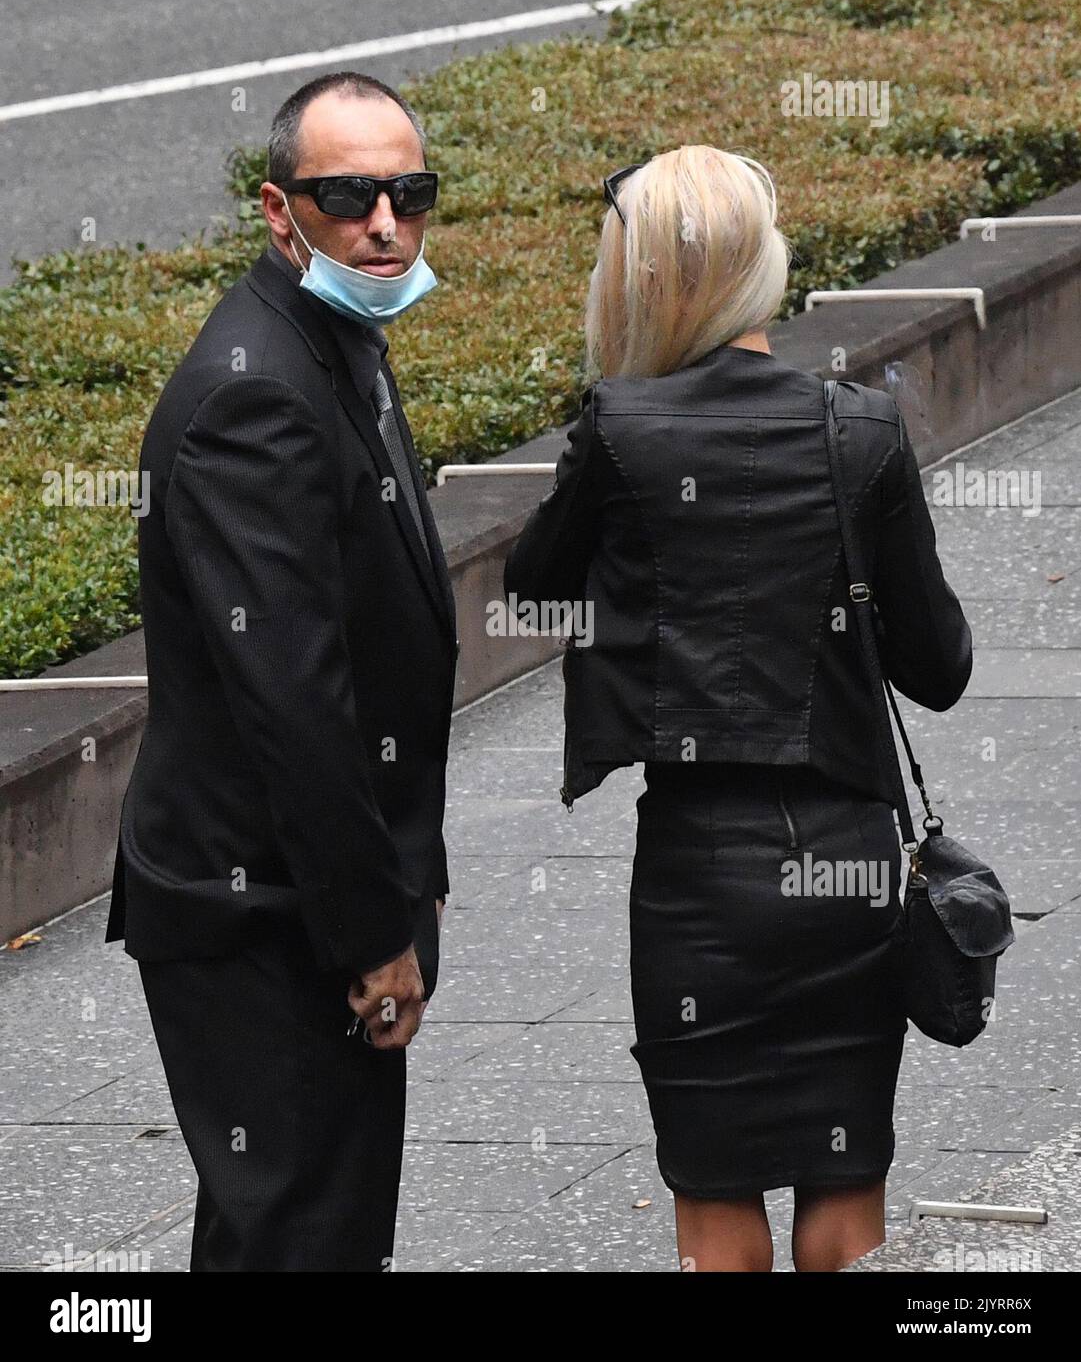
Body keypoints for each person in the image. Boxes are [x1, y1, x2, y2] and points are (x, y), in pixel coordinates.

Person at [503, 146, 972, 1272]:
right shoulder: (858, 427)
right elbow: (939, 666)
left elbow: (529, 585)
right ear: (761, 269)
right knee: (845, 1187)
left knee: (715, 1202)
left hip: (697, 876)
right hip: (850, 859)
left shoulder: (618, 429)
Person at [105, 71, 458, 1271]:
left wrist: (419, 871)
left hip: (308, 889)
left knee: (291, 1228)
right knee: (303, 1236)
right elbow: (296, 702)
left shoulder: (335, 336)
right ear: (277, 209)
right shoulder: (252, 398)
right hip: (259, 914)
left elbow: (384, 644)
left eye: (408, 193)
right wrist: (375, 931)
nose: (383, 223)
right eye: (349, 194)